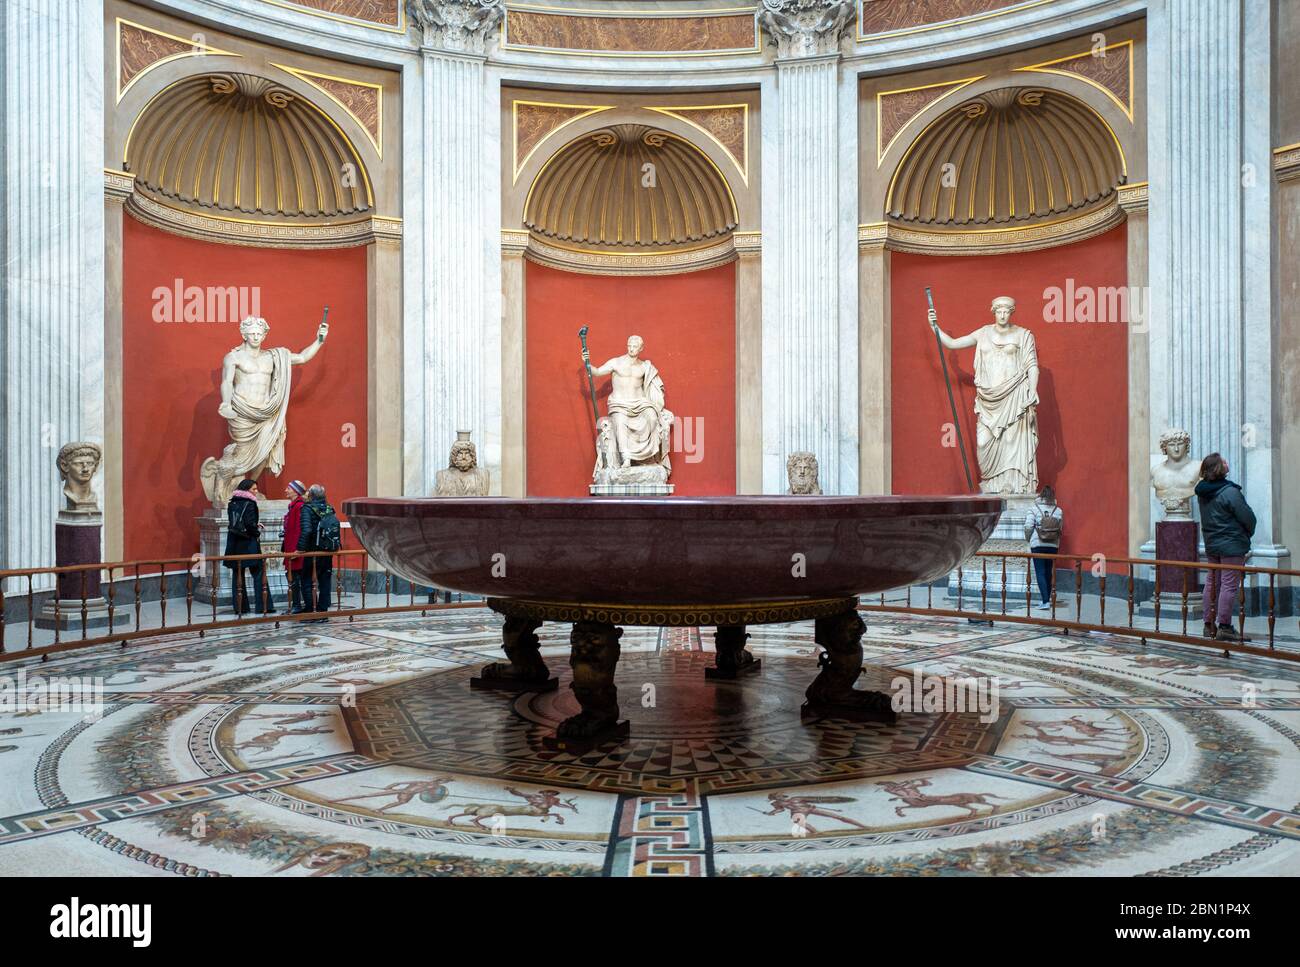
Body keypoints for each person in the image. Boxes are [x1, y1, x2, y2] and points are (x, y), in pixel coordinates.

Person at [1195, 453, 1256, 642]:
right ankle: (1225, 627)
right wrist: (1247, 532)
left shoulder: (1203, 492)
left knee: (1212, 582)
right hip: (1231, 545)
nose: (1227, 463)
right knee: (1229, 585)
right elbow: (1248, 518)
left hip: (1212, 543)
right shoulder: (1229, 492)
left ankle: (1208, 625)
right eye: (1223, 461)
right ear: (1217, 468)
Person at [224, 478, 275, 616]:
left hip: (234, 543)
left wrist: (253, 525)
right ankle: (264, 605)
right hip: (248, 543)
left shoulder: (232, 502)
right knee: (258, 573)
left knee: (237, 575)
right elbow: (249, 524)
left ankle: (240, 607)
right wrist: (256, 531)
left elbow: (236, 522)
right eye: (254, 489)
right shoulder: (250, 503)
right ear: (246, 489)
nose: (256, 492)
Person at [297, 483, 341, 623]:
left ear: (311, 495)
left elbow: (307, 530)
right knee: (325, 580)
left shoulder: (307, 508)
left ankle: (311, 611)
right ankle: (323, 612)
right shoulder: (329, 508)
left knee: (306, 580)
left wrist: (300, 548)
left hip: (312, 551)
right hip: (327, 550)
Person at [1024, 485, 1063, 609]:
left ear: (1041, 495)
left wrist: (1029, 538)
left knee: (1040, 572)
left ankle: (1045, 601)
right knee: (1048, 571)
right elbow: (1060, 528)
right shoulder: (1058, 510)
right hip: (1053, 544)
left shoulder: (1033, 508)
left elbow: (1028, 526)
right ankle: (1047, 599)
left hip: (1038, 544)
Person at [281, 480, 308, 613]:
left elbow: (300, 529)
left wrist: (297, 549)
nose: (286, 490)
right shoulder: (293, 506)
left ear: (296, 491)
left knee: (296, 579)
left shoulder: (299, 506)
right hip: (291, 548)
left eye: (288, 488)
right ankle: (295, 605)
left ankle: (297, 605)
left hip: (296, 550)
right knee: (293, 579)